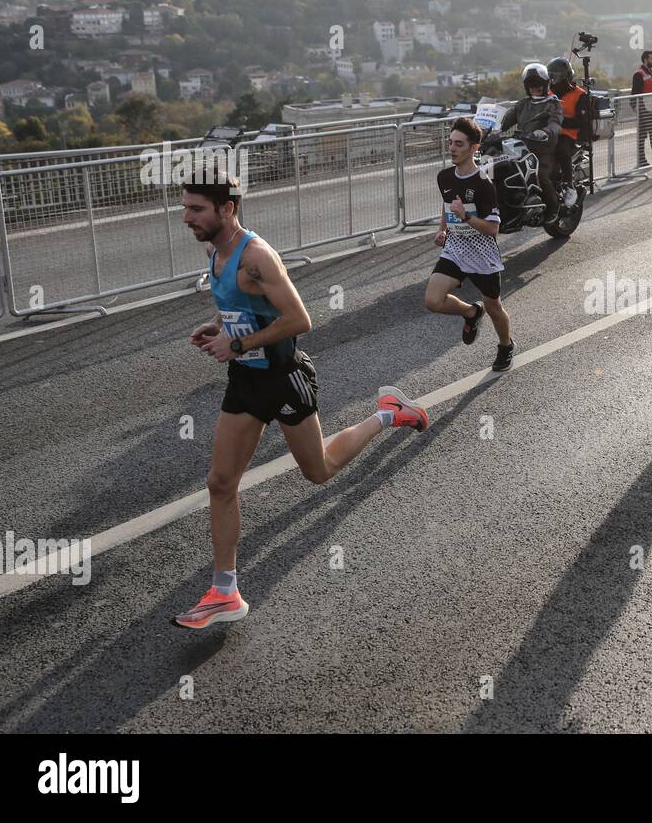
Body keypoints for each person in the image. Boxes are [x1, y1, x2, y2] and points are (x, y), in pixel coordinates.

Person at [174, 177, 430, 629]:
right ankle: (225, 592)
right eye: (187, 208)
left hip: (284, 378)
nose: (187, 217)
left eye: (196, 209)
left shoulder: (257, 256)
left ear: (227, 208)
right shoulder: (216, 249)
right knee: (219, 481)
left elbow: (299, 320)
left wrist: (236, 345)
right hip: (246, 382)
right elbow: (239, 303)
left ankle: (387, 413)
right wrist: (216, 325)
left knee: (319, 471)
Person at [426, 118, 516, 373]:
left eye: (459, 144)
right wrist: (442, 229)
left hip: (481, 253)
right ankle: (470, 313)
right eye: (450, 142)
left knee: (495, 308)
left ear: (474, 148)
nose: (452, 148)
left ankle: (505, 345)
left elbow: (493, 229)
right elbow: (447, 205)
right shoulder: (444, 176)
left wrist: (465, 216)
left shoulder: (483, 185)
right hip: (455, 249)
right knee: (433, 301)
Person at [500, 62, 563, 226]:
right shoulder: (522, 104)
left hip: (544, 149)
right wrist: (488, 128)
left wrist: (545, 132)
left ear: (545, 84)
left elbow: (555, 123)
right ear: (526, 87)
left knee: (540, 175)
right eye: (531, 85)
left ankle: (553, 208)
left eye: (538, 84)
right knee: (502, 168)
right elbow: (505, 120)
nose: (535, 88)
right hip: (521, 147)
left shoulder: (553, 103)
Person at [548, 55, 591, 204]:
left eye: (558, 75)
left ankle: (569, 185)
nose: (554, 79)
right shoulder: (547, 93)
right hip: (548, 133)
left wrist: (558, 122)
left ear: (567, 75)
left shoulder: (580, 95)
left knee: (560, 149)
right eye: (552, 75)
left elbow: (581, 121)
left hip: (568, 135)